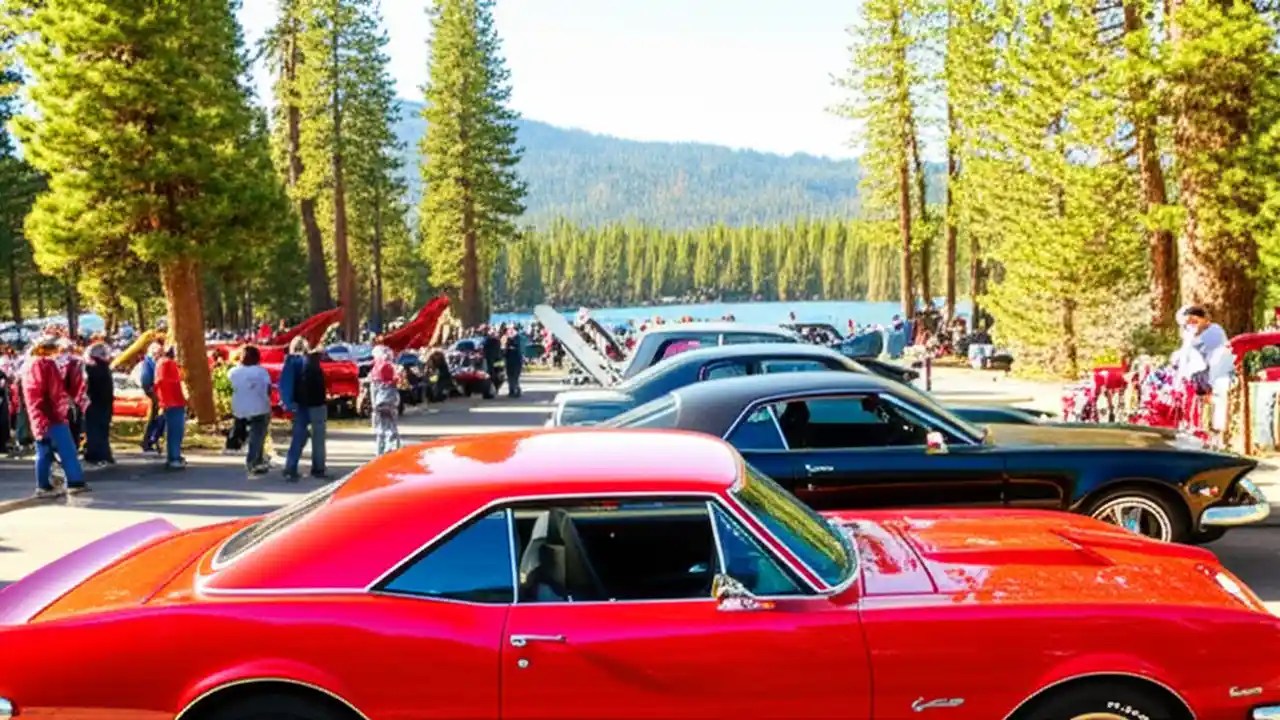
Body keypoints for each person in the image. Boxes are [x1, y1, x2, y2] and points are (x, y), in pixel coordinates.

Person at [22, 334, 89, 497]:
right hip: (52, 416)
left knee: (44, 452)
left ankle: (43, 485)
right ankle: (75, 481)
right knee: (67, 451)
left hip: (39, 416)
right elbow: (52, 392)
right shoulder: (45, 365)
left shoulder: (29, 366)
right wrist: (59, 409)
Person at [284, 341, 328, 481]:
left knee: (298, 436)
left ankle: (291, 467)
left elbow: (286, 384)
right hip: (318, 403)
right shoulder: (314, 363)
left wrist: (289, 403)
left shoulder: (292, 363)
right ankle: (318, 468)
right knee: (318, 438)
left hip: (301, 404)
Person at [228, 345, 272, 476]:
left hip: (239, 408)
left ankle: (256, 456)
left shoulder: (233, 372)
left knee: (252, 432)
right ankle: (254, 460)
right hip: (259, 407)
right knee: (258, 433)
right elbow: (268, 390)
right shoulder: (261, 372)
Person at [82, 342, 115, 466]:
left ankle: (96, 454)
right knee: (102, 429)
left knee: (94, 429)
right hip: (104, 402)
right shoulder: (104, 368)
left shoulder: (91, 368)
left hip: (94, 402)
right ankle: (104, 453)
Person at [154, 346, 186, 470]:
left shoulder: (162, 363)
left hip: (170, 401)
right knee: (175, 431)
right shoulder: (167, 363)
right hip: (174, 402)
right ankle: (174, 457)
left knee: (174, 431)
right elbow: (164, 382)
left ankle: (174, 456)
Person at [368, 345, 401, 456]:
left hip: (378, 403)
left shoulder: (375, 369)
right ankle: (391, 452)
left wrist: (373, 405)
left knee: (380, 429)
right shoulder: (390, 367)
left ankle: (379, 452)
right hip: (390, 401)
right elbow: (395, 382)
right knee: (391, 428)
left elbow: (373, 389)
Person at [138, 342, 164, 453]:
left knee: (156, 417)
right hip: (152, 392)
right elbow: (146, 378)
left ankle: (151, 440)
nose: (160, 355)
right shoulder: (148, 362)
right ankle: (148, 440)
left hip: (155, 392)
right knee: (154, 417)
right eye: (159, 353)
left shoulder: (151, 362)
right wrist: (150, 391)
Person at [503, 332, 523, 398]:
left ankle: (515, 390)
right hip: (513, 362)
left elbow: (505, 354)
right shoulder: (516, 347)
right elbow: (505, 354)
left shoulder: (516, 347)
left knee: (513, 377)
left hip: (514, 362)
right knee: (512, 377)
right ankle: (513, 390)